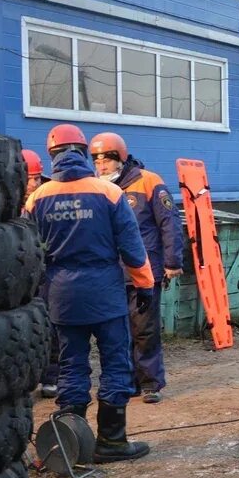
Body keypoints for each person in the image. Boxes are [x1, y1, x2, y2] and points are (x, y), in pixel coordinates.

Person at [26, 124, 154, 462]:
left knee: (71, 365)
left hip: (61, 297)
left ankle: (72, 443)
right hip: (105, 294)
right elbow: (132, 246)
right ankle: (111, 443)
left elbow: (27, 252)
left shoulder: (37, 198)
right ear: (83, 152)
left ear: (51, 155)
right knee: (115, 363)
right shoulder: (109, 193)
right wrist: (145, 284)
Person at [88, 133, 184, 404]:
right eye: (96, 160)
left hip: (145, 270)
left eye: (106, 159)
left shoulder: (149, 181)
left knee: (145, 328)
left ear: (119, 158)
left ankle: (151, 382)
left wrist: (172, 262)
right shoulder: (96, 187)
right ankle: (128, 381)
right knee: (119, 331)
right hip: (111, 273)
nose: (101, 165)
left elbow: (169, 222)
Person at [23, 148, 58, 400]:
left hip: (47, 274)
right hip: (19, 276)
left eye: (37, 178)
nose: (34, 183)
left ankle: (51, 377)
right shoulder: (3, 203)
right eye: (29, 178)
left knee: (51, 326)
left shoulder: (48, 198)